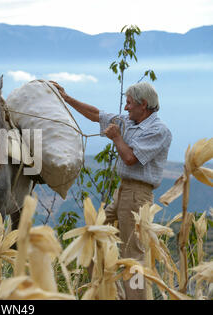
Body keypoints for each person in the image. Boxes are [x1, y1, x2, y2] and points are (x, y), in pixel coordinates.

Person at [51, 81, 172, 299]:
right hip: (122, 192)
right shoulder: (128, 122)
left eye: (129, 103)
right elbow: (96, 114)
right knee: (90, 238)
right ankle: (112, 295)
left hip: (138, 196)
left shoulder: (158, 130)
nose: (125, 108)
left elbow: (130, 159)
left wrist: (116, 137)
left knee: (133, 255)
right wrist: (67, 98)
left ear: (143, 105)